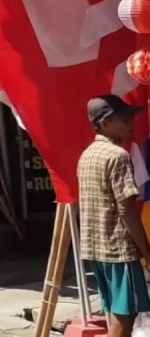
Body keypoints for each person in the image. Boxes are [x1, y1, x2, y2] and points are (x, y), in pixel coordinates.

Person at [77, 94, 150, 337]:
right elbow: (126, 209)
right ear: (104, 123)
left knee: (115, 315)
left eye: (131, 118)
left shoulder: (87, 155)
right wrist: (147, 253)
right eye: (123, 119)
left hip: (95, 249)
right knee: (124, 318)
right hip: (119, 250)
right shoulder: (118, 156)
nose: (131, 124)